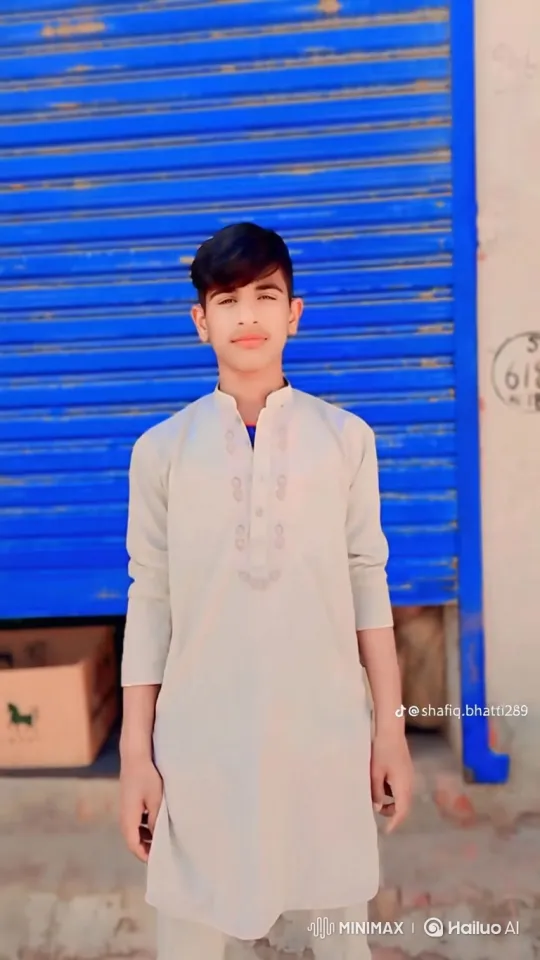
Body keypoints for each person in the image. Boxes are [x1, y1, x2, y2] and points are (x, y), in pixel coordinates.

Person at [119, 222, 413, 960]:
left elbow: (367, 581)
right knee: (191, 935)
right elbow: (149, 598)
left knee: (340, 932)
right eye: (227, 300)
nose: (247, 316)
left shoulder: (346, 439)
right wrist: (135, 754)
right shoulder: (161, 452)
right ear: (201, 321)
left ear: (294, 313)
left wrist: (390, 731)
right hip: (199, 741)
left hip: (325, 732)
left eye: (265, 295)